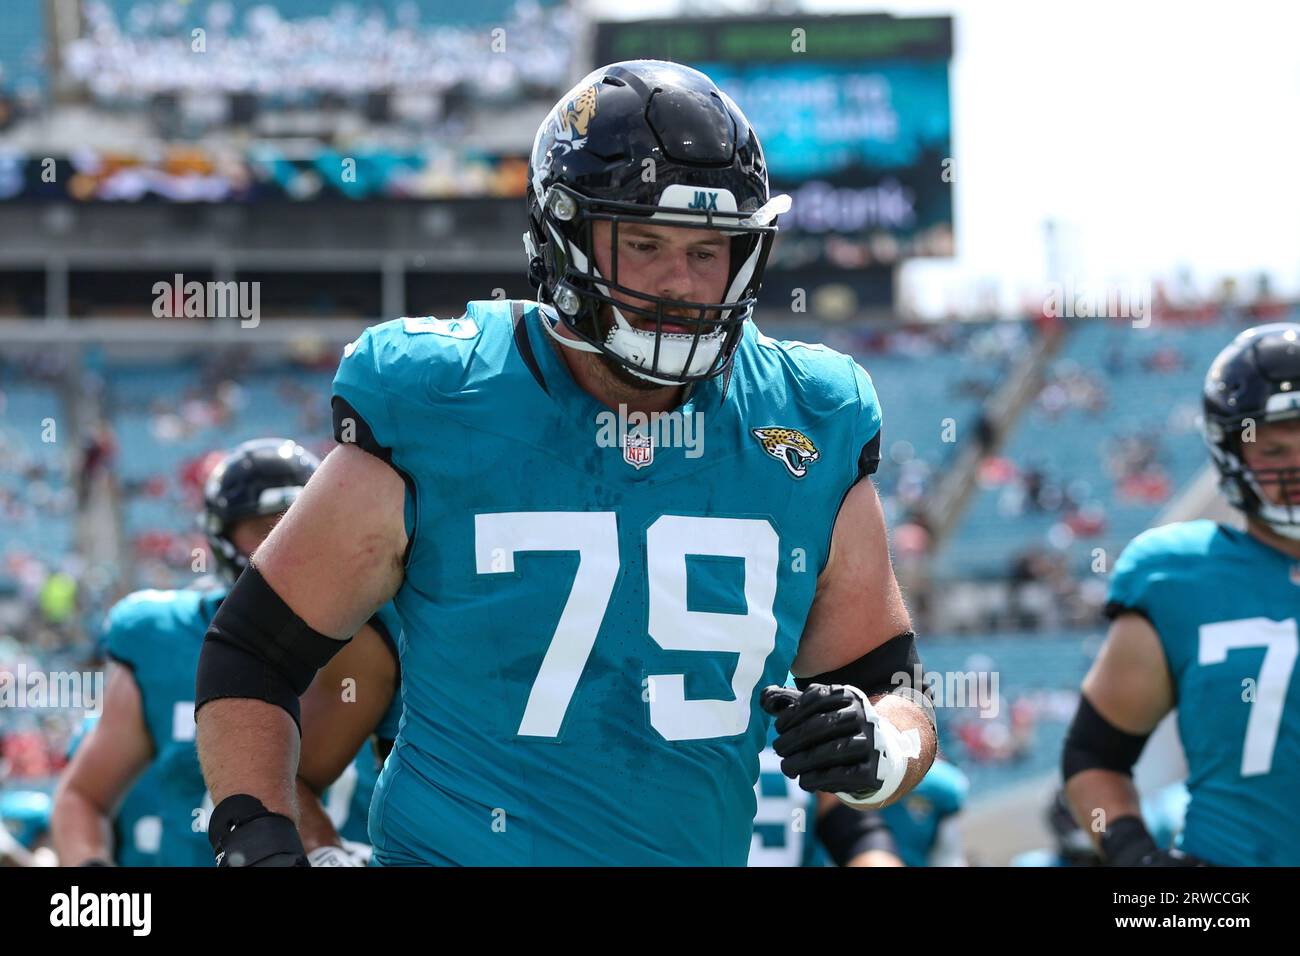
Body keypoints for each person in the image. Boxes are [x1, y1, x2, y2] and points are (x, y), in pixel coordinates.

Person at [194, 60, 937, 867]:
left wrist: (881, 750)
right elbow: (254, 651)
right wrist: (255, 831)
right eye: (645, 244)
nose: (679, 285)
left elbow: (896, 690)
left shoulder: (808, 417)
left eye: (707, 251)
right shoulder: (446, 399)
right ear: (564, 238)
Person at [53, 438, 396, 865]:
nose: (287, 541)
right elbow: (84, 797)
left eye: (298, 520)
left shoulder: (384, 633)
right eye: (265, 526)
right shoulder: (160, 638)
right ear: (221, 536)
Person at [1063, 324, 1300, 866]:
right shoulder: (1180, 576)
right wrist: (1135, 857)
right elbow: (1095, 755)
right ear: (1230, 451)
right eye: (1276, 446)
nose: (1299, 463)